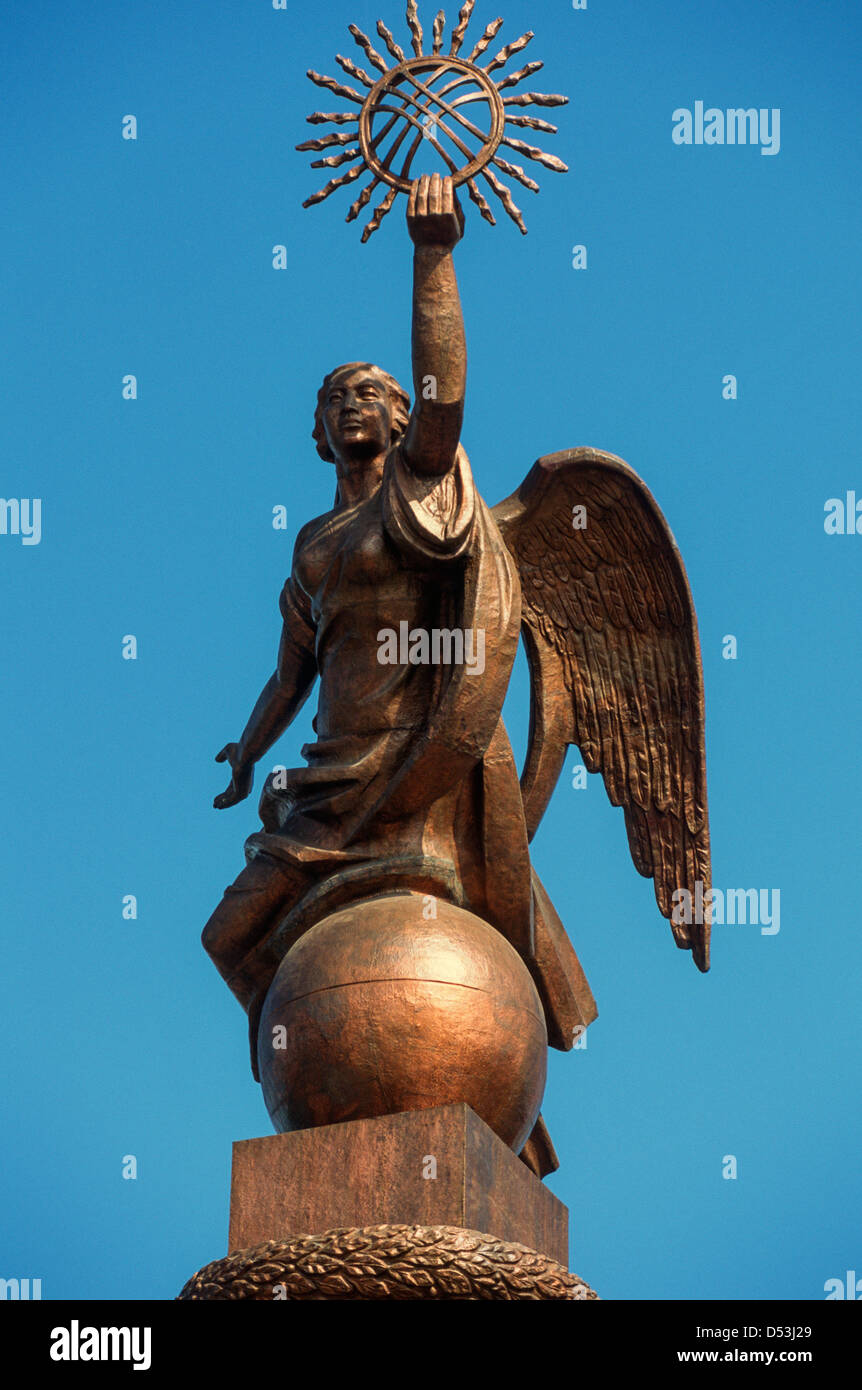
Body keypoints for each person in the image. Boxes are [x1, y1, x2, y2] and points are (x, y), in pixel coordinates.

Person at [202, 174, 594, 1079]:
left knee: (427, 945)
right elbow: (290, 670)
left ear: (400, 420)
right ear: (318, 432)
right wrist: (250, 748)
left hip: (418, 771)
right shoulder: (309, 544)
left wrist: (433, 256)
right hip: (329, 781)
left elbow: (446, 394)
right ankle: (326, 1066)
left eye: (371, 395)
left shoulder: (421, 500)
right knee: (228, 937)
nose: (352, 407)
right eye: (336, 398)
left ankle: (435, 1070)